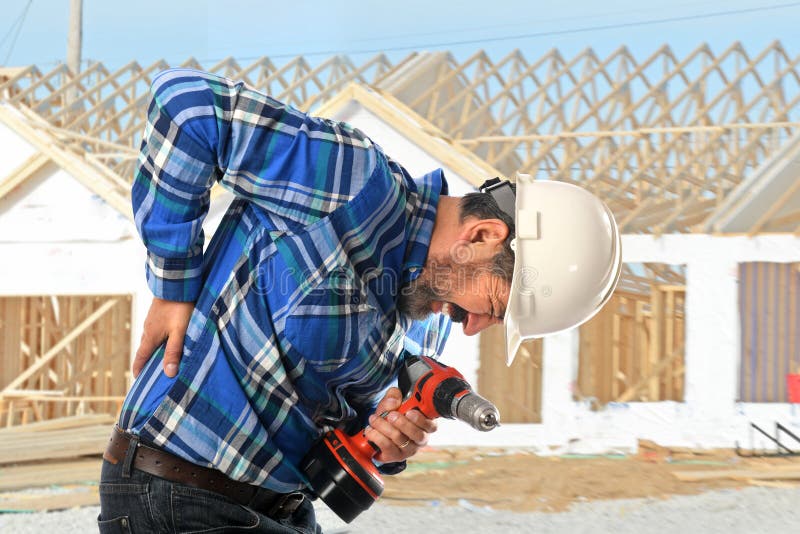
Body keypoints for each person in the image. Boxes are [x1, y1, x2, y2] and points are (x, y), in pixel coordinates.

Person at [99, 68, 621, 533]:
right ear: (483, 236)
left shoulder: (425, 319)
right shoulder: (352, 184)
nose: (473, 328)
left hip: (282, 510)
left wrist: (387, 442)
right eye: (496, 304)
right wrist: (173, 284)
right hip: (178, 495)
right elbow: (189, 106)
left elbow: (343, 429)